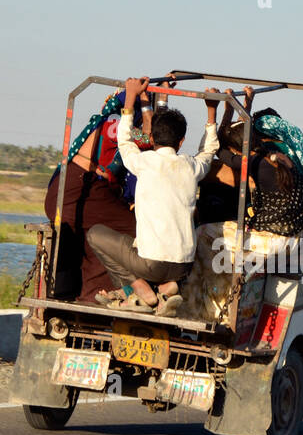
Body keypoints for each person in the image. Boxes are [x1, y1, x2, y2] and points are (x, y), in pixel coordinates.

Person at [87, 76, 220, 314]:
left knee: (96, 234)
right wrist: (211, 113)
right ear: (181, 141)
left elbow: (125, 141)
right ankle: (168, 288)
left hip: (151, 266)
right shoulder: (190, 166)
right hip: (183, 266)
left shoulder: (144, 162)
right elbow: (209, 151)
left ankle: (139, 289)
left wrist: (130, 96)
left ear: (150, 139)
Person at [41, 89, 155, 302]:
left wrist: (156, 97)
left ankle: (93, 300)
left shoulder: (106, 121)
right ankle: (135, 287)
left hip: (76, 191)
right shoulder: (114, 124)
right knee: (137, 228)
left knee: (98, 240)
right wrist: (145, 103)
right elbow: (149, 139)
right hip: (80, 191)